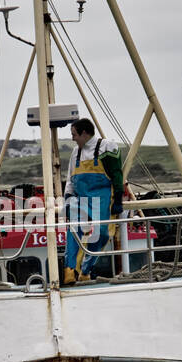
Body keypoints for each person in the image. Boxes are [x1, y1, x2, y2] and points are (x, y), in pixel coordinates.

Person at [62, 118, 123, 284]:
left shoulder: (108, 147)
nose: (73, 138)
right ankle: (69, 270)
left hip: (101, 199)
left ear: (84, 133)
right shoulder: (76, 152)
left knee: (102, 235)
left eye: (74, 134)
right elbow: (70, 178)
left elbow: (117, 174)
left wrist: (118, 197)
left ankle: (86, 269)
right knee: (73, 232)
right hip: (79, 198)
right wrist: (68, 197)